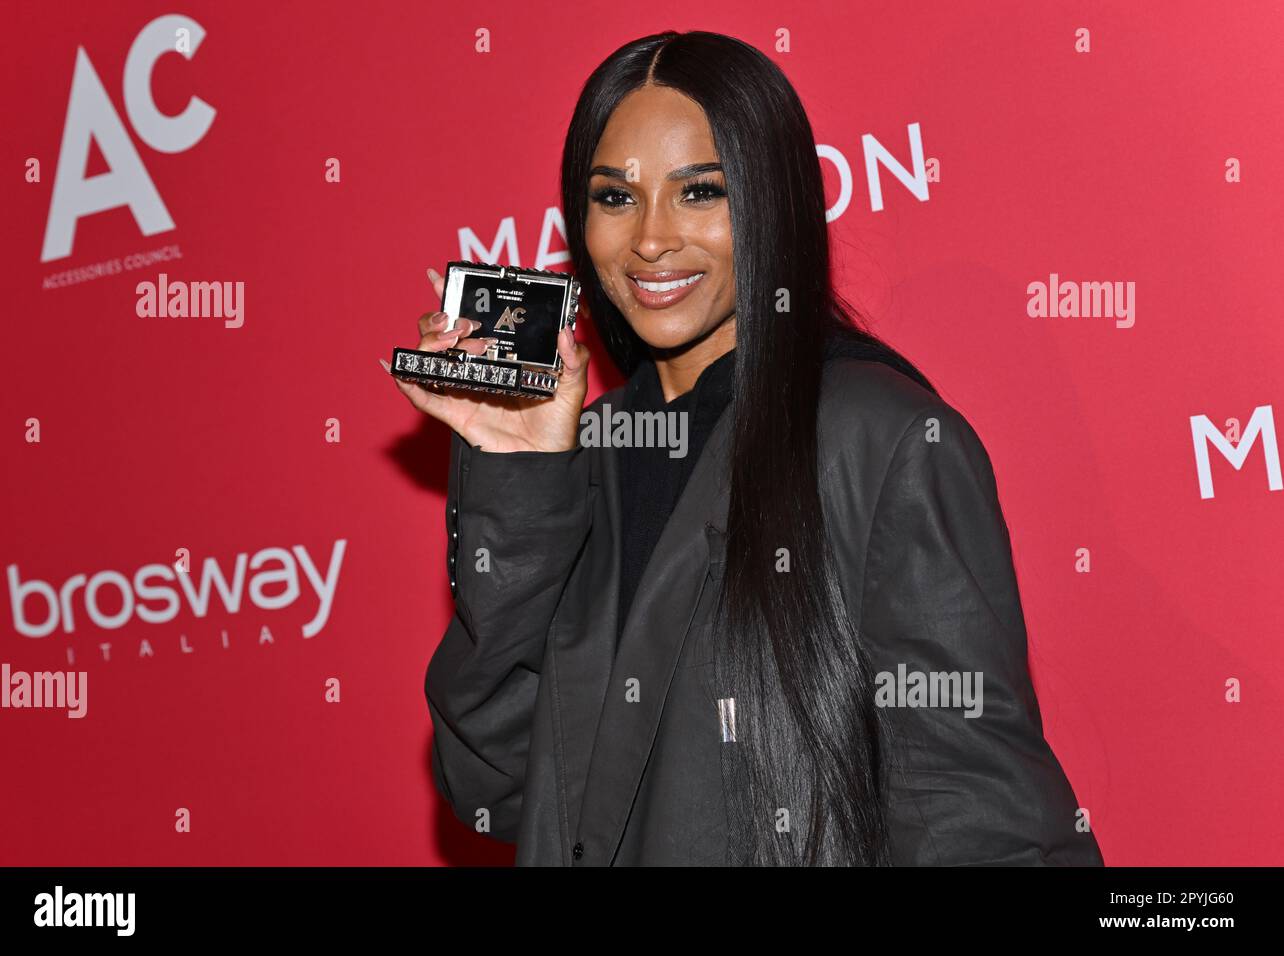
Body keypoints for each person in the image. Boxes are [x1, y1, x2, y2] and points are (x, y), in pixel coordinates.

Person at [384, 30, 1104, 867]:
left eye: (700, 193)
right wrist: (521, 476)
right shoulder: (594, 455)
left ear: (772, 200)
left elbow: (978, 824)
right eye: (615, 198)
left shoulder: (880, 439)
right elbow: (495, 788)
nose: (651, 240)